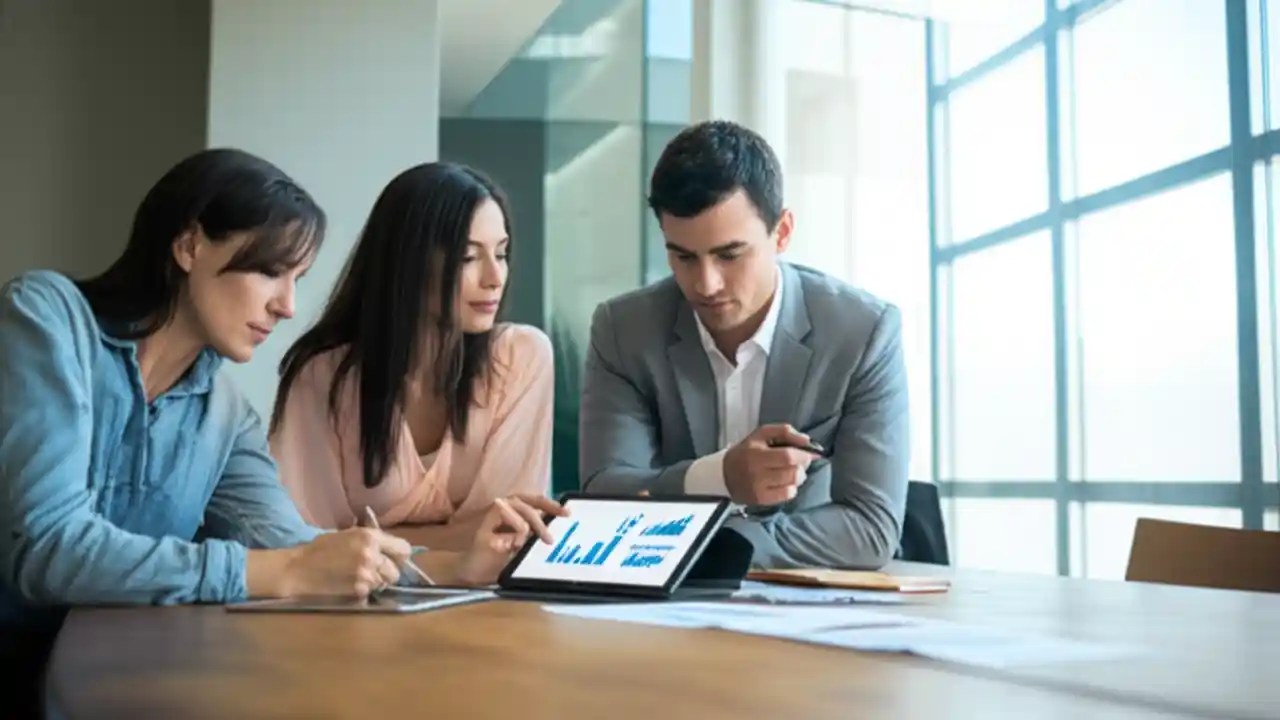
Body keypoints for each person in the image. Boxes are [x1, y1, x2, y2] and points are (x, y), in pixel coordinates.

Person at [0, 149, 560, 714]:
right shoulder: (49, 318)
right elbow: (47, 549)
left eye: (298, 279)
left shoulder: (226, 414)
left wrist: (454, 568)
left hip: (98, 677)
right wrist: (282, 572)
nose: (287, 306)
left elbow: (297, 542)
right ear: (190, 246)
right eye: (270, 272)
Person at [578, 120, 909, 569]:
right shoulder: (624, 331)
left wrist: (719, 543)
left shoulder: (862, 332)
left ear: (782, 232)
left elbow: (869, 529)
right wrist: (718, 477)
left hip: (806, 588)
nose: (706, 284)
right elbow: (604, 497)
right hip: (665, 597)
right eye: (683, 256)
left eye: (729, 255)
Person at [269, 162, 553, 551]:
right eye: (468, 258)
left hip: (487, 591)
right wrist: (462, 537)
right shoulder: (325, 376)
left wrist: (376, 539)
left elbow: (509, 535)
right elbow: (307, 547)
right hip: (356, 592)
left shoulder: (521, 358)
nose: (494, 278)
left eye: (501, 254)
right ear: (409, 260)